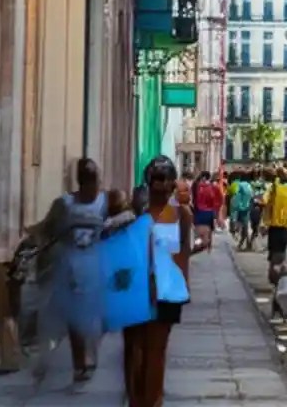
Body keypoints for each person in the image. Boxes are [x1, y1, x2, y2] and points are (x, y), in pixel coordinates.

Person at [124, 156, 207, 407]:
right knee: (134, 350)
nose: (160, 185)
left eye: (165, 180)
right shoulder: (137, 214)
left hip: (167, 291)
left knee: (155, 351)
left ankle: (152, 400)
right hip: (138, 291)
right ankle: (137, 399)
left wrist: (182, 285)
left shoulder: (181, 214)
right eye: (156, 179)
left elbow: (183, 252)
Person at [32, 158, 108, 383]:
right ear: (80, 183)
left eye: (94, 181)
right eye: (87, 182)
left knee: (94, 318)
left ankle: (90, 355)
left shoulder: (105, 203)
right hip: (71, 268)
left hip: (96, 267)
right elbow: (48, 229)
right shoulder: (65, 205)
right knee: (75, 317)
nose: (92, 187)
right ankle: (80, 363)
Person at [263, 168, 287, 277]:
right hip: (284, 227)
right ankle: (276, 277)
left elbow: (264, 200)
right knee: (280, 254)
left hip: (274, 226)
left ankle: (272, 274)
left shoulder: (273, 188)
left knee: (274, 253)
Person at [192, 172, 222, 251]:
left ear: (203, 177)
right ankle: (208, 244)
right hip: (209, 212)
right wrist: (216, 212)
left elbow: (194, 199)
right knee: (208, 229)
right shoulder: (213, 187)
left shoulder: (197, 186)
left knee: (198, 232)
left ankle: (199, 243)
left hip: (199, 212)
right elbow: (219, 200)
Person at [230, 173, 255, 251]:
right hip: (247, 208)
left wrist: (234, 206)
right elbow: (252, 196)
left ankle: (244, 244)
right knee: (246, 226)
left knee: (241, 227)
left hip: (239, 208)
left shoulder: (239, 185)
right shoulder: (249, 186)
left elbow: (236, 195)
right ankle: (246, 244)